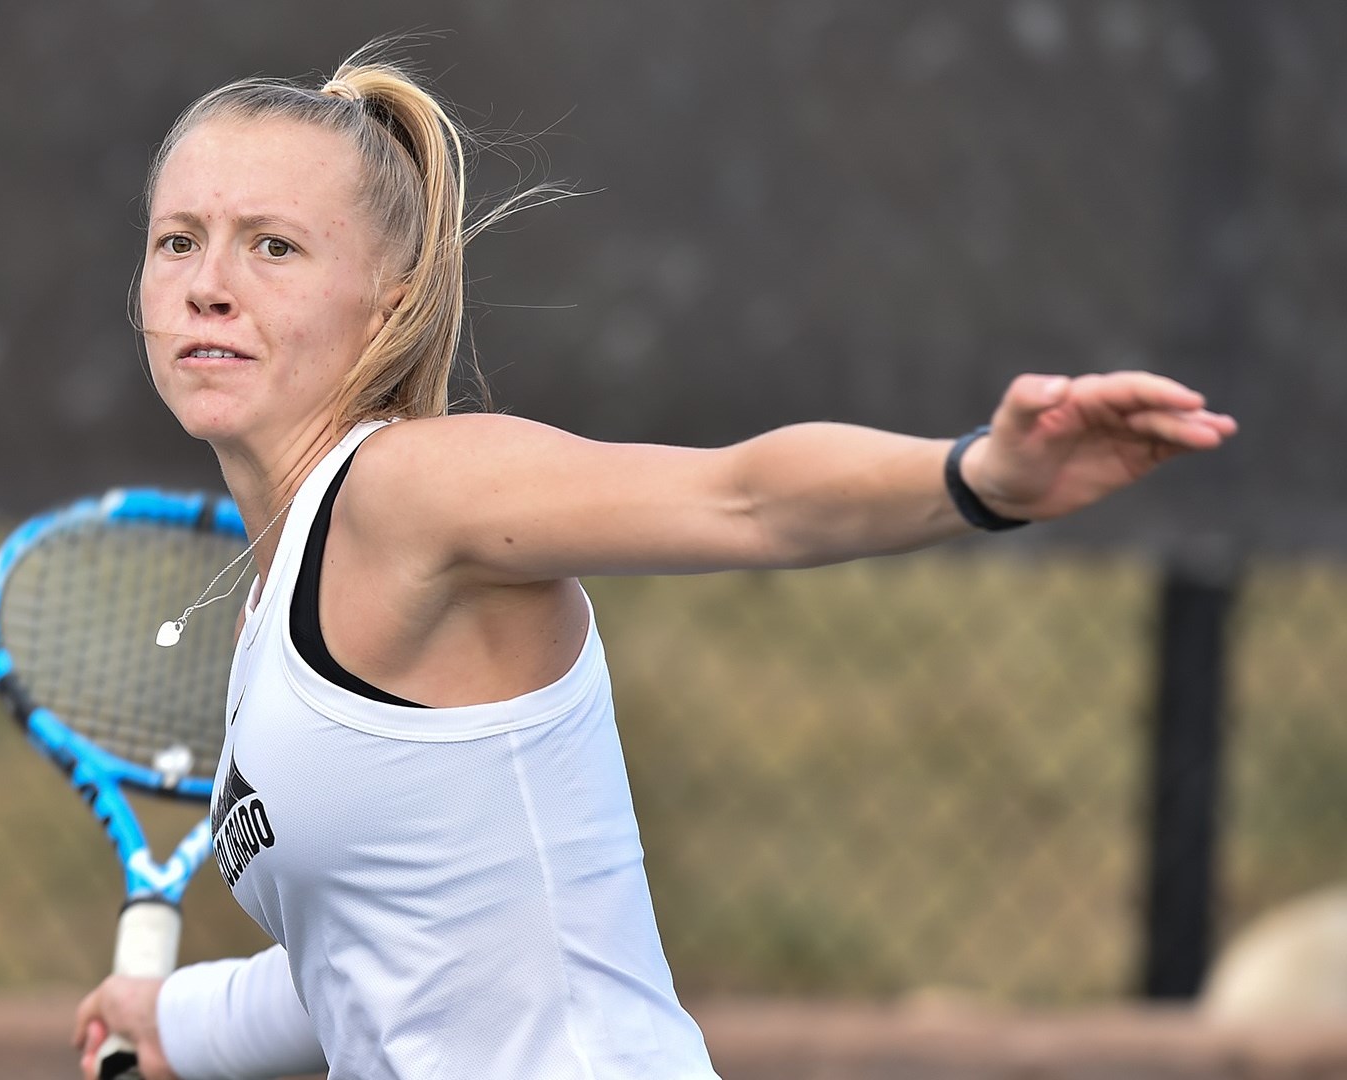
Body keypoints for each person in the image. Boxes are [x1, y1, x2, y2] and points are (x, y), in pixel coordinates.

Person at [71, 42, 1238, 1080]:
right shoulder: (271, 607)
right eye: (179, 241)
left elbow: (745, 499)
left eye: (272, 245)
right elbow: (391, 957)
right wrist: (184, 1020)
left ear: (390, 302)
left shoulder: (410, 495)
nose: (207, 283)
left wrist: (979, 478)